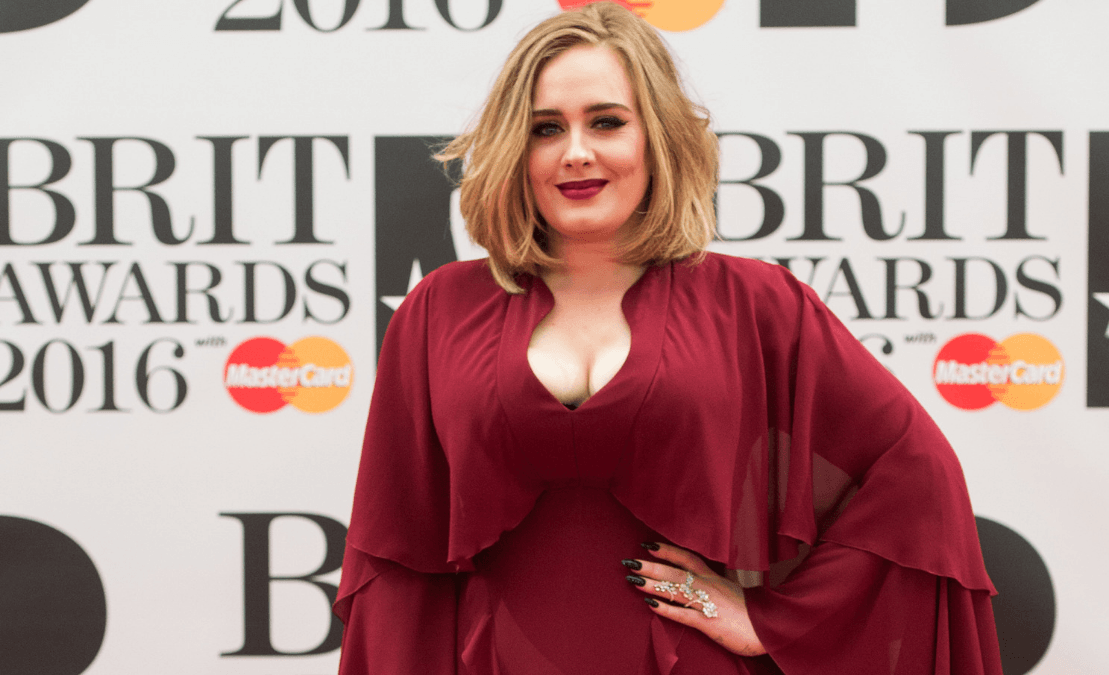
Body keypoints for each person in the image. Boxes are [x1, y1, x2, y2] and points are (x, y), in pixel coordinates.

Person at [334, 3, 1003, 674]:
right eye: (546, 128)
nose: (576, 152)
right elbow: (393, 558)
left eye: (606, 121)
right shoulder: (438, 310)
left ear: (655, 136)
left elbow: (911, 474)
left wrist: (774, 621)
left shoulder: (755, 303)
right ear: (516, 147)